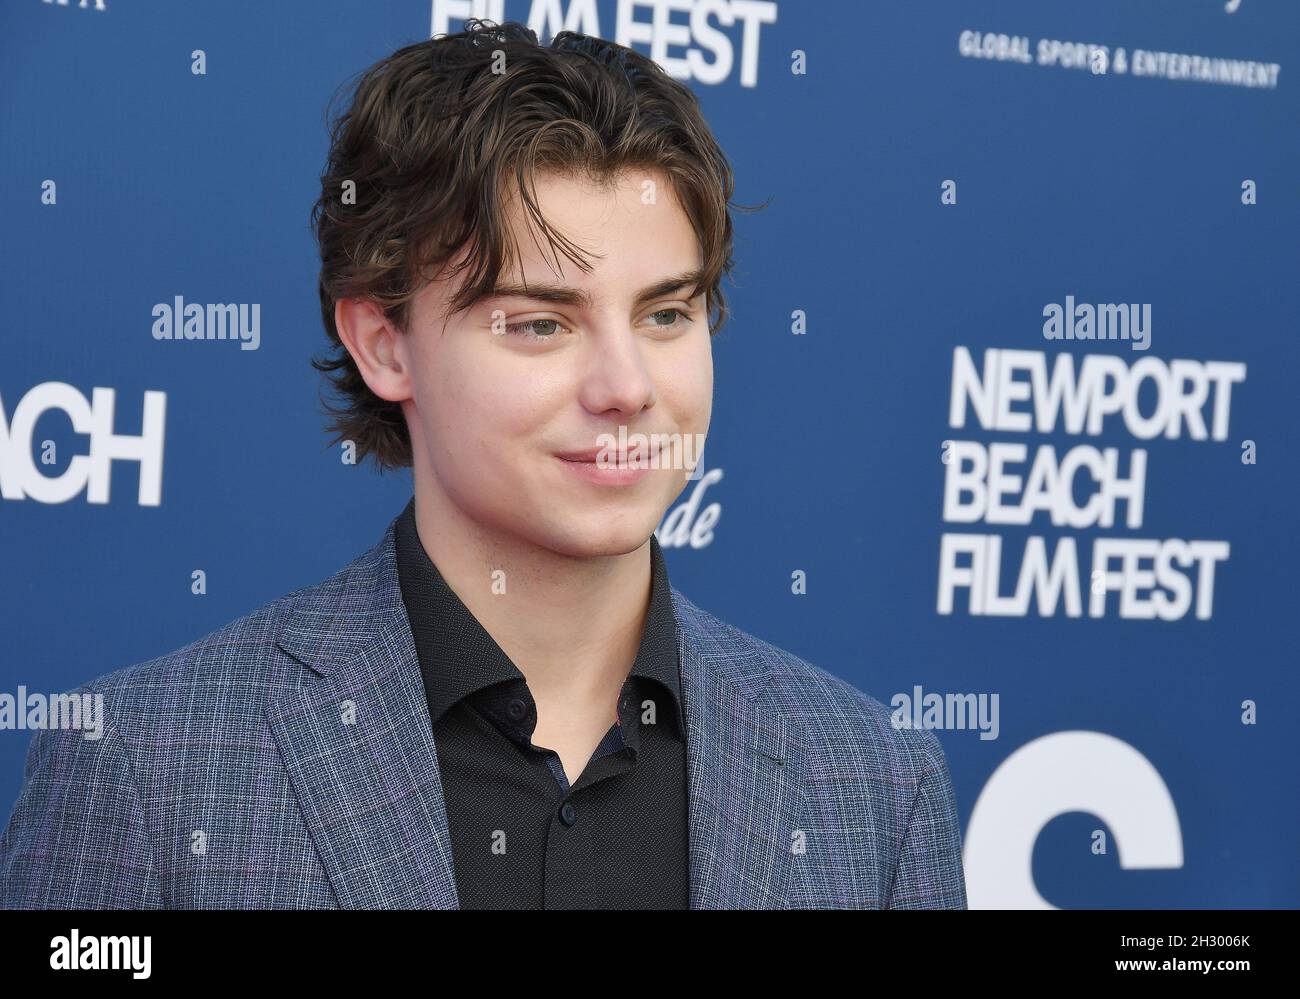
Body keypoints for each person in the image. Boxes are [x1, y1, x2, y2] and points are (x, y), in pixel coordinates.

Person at [0, 20, 966, 909]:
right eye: (542, 323)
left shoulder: (873, 786)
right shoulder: (146, 767)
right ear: (385, 344)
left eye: (666, 313)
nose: (626, 386)